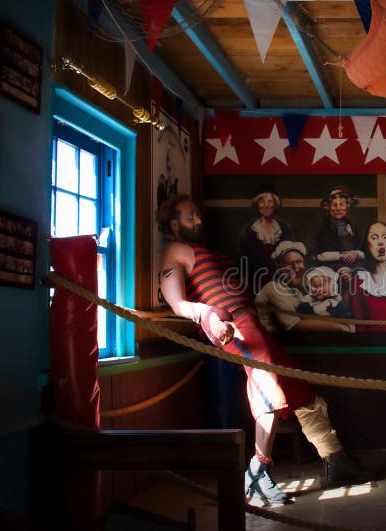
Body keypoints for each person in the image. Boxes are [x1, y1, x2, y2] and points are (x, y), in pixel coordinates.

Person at [156, 196, 372, 505]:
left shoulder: (205, 250)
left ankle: (336, 459)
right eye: (191, 217)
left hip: (253, 323)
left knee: (299, 389)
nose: (199, 220)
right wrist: (208, 317)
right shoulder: (175, 250)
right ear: (174, 224)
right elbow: (178, 304)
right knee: (270, 389)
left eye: (198, 215)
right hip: (231, 326)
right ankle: (258, 473)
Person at [255, 241, 355, 334]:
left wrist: (346, 286)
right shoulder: (273, 288)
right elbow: (294, 326)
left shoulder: (297, 293)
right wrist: (341, 327)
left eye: (299, 262)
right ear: (278, 267)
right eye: (290, 264)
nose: (296, 268)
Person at [237, 183, 296, 290]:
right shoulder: (249, 231)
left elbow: (291, 256)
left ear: (275, 204)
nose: (266, 205)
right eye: (262, 201)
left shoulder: (284, 229)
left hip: (281, 281)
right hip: (256, 281)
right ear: (257, 205)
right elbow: (244, 258)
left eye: (270, 201)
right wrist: (243, 279)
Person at [310, 185, 365, 271]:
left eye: (341, 204)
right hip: (327, 269)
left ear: (347, 206)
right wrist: (339, 256)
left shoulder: (351, 225)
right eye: (334, 205)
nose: (338, 209)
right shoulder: (321, 226)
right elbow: (313, 255)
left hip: (351, 268)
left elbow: (361, 249)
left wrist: (356, 253)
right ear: (328, 206)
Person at [296, 266, 356, 332]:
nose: (318, 290)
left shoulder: (336, 302)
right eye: (314, 286)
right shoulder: (307, 301)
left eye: (321, 285)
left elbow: (346, 317)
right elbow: (299, 317)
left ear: (332, 286)